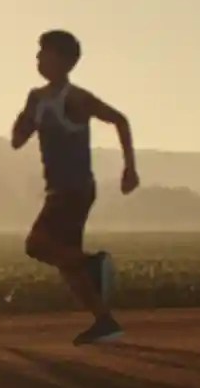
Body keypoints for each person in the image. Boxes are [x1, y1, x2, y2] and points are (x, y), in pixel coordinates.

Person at [12, 29, 137, 345]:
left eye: (45, 53)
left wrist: (129, 168)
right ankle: (104, 322)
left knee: (37, 245)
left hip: (75, 188)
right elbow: (17, 140)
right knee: (65, 262)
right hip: (57, 188)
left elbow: (120, 120)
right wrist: (25, 115)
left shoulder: (77, 98)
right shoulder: (37, 99)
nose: (39, 59)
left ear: (66, 61)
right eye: (38, 53)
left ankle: (93, 263)